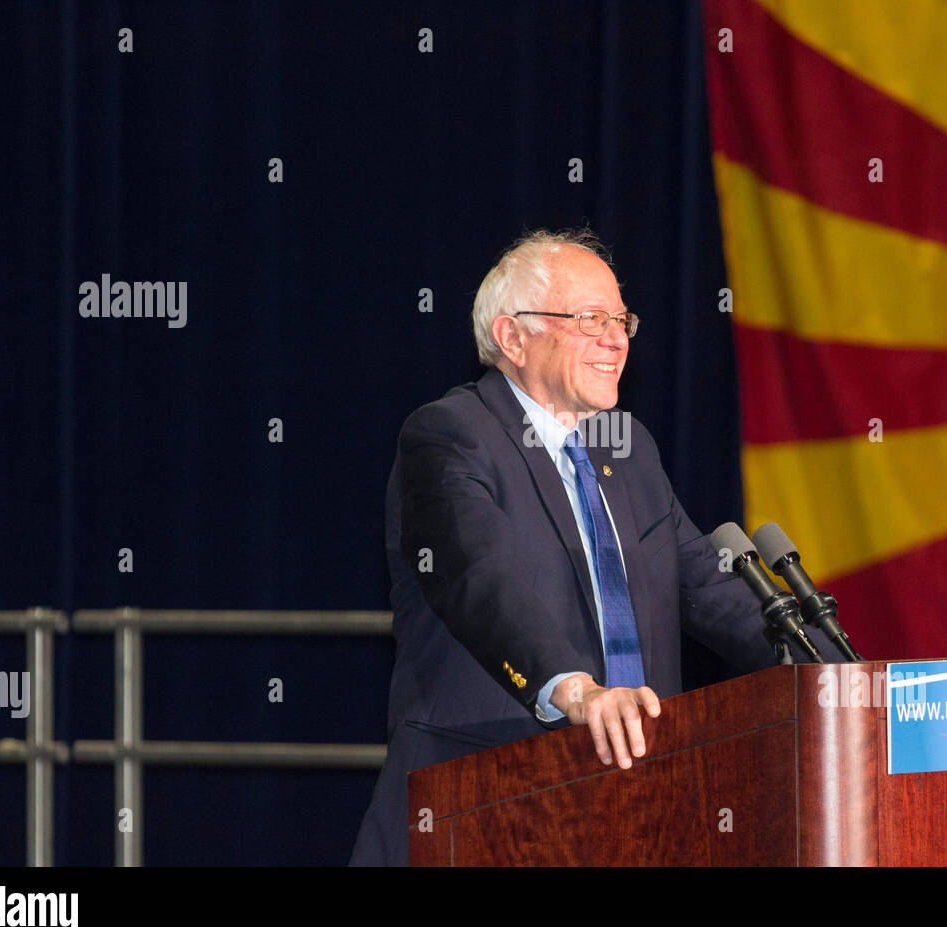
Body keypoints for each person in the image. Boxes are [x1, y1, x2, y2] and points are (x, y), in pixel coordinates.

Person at [350, 229, 847, 866]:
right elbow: (478, 578)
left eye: (621, 320)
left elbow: (713, 586)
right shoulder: (451, 434)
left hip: (633, 803)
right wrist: (578, 691)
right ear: (512, 337)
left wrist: (848, 676)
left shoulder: (626, 448)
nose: (616, 339)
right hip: (479, 793)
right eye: (590, 319)